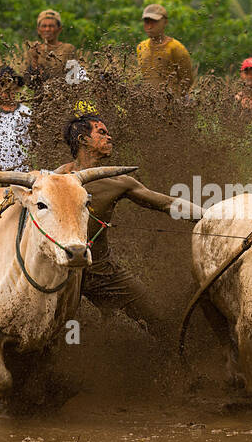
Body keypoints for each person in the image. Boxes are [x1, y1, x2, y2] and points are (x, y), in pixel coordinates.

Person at [54, 114, 202, 340]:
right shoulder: (55, 179)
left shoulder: (119, 181)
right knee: (51, 332)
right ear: (83, 140)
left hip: (102, 271)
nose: (109, 136)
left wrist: (209, 216)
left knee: (158, 321)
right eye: (101, 132)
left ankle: (176, 363)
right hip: (61, 270)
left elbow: (167, 203)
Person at [135, 3, 193, 97]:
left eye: (154, 22)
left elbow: (187, 80)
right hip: (146, 104)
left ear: (165, 22)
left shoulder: (176, 48)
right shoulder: (141, 47)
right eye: (146, 22)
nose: (149, 26)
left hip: (170, 105)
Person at [24, 9, 79, 84]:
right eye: (44, 26)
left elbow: (74, 78)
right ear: (38, 30)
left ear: (59, 29)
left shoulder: (68, 49)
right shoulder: (34, 49)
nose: (47, 29)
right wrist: (34, 59)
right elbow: (28, 82)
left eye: (51, 26)